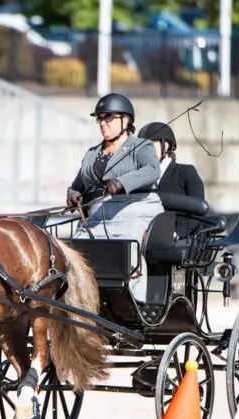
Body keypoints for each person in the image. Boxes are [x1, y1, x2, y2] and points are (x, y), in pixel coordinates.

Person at [66, 93, 162, 305]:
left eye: (109, 117)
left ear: (125, 120)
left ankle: (137, 301)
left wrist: (122, 183)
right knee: (75, 249)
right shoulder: (92, 153)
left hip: (136, 209)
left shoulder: (141, 146)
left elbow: (152, 170)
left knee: (126, 247)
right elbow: (78, 184)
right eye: (100, 118)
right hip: (99, 213)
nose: (103, 123)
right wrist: (73, 195)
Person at [137, 121, 206, 239]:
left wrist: (177, 234)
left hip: (179, 240)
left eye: (149, 145)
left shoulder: (186, 172)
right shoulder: (139, 178)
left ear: (166, 145)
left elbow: (197, 214)